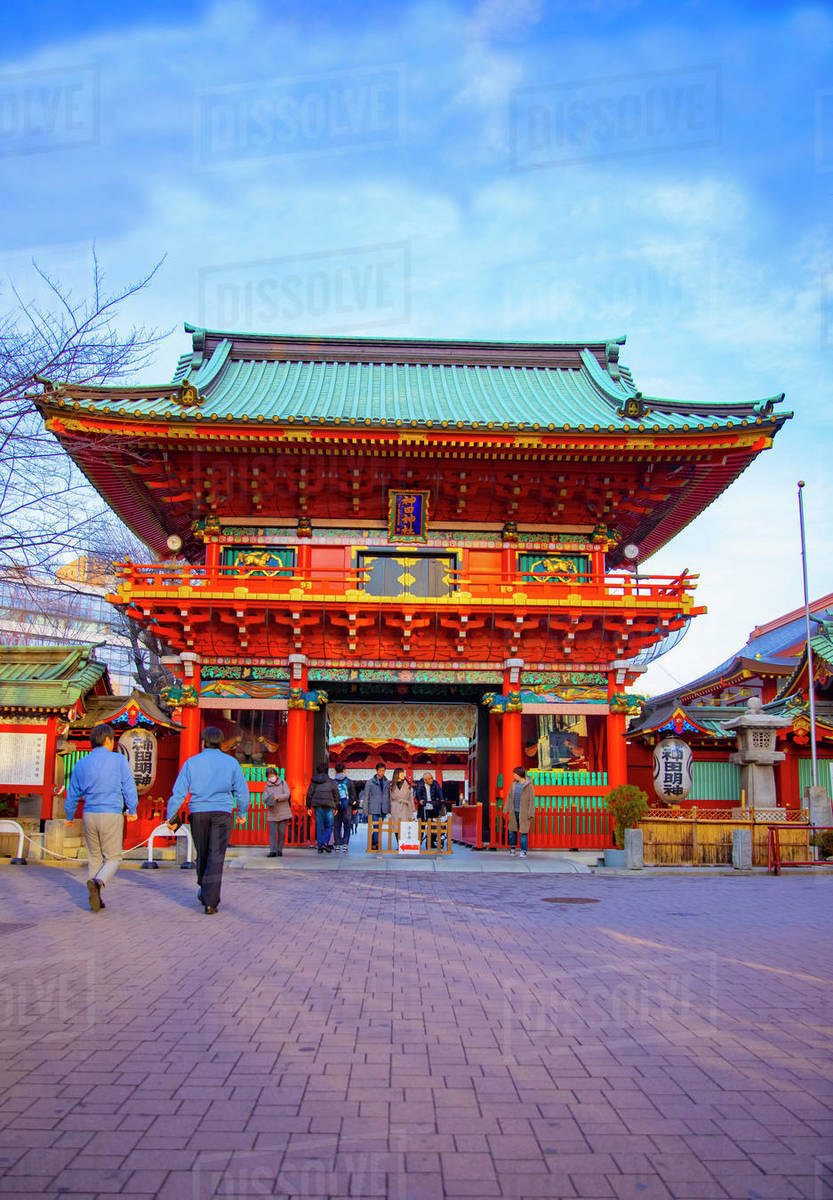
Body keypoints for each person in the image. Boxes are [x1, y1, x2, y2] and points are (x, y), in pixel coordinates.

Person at [167, 726, 249, 914]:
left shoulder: (191, 763)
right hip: (222, 812)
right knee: (216, 855)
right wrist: (242, 813)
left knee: (202, 853)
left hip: (199, 812)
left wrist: (171, 815)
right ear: (221, 743)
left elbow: (179, 792)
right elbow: (242, 791)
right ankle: (210, 900)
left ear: (203, 742)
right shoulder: (231, 763)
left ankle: (204, 888)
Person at [65, 722, 138, 912]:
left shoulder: (81, 762)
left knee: (94, 857)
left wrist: (70, 814)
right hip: (111, 813)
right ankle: (99, 883)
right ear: (108, 739)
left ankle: (96, 896)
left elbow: (72, 792)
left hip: (89, 813)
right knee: (113, 857)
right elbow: (128, 786)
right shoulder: (119, 760)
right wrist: (132, 809)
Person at [306, 761, 339, 854]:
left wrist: (308, 806)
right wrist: (336, 806)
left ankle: (320, 846)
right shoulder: (331, 782)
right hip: (329, 805)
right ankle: (325, 842)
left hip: (318, 805)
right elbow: (336, 794)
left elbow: (309, 793)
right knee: (329, 825)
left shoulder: (314, 781)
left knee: (319, 826)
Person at [507, 765, 535, 858]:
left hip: (524, 812)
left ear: (519, 774)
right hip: (513, 811)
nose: (514, 776)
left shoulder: (529, 785)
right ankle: (512, 849)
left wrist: (531, 813)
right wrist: (506, 809)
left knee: (523, 832)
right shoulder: (513, 784)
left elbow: (532, 800)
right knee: (512, 831)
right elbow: (509, 797)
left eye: (515, 774)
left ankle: (523, 851)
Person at [360, 762, 390, 849]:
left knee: (379, 827)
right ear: (376, 771)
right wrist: (365, 810)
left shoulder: (387, 782)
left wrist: (389, 807)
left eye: (383, 770)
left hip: (383, 808)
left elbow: (389, 795)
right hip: (373, 808)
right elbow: (366, 796)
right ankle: (376, 844)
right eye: (380, 770)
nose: (382, 772)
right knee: (376, 826)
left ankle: (373, 843)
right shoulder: (370, 782)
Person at [263, 767, 291, 857]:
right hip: (272, 811)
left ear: (276, 775)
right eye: (269, 776)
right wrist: (270, 798)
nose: (271, 777)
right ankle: (272, 851)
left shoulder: (283, 783)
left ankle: (279, 849)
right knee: (272, 833)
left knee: (282, 833)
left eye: (272, 775)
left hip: (283, 811)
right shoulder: (266, 786)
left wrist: (278, 797)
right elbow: (264, 798)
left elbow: (287, 795)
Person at [415, 771, 444, 849]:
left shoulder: (435, 783)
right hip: (423, 808)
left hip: (433, 807)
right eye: (429, 779)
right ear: (425, 780)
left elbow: (439, 791)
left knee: (433, 826)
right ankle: (419, 843)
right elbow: (417, 793)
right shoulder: (420, 784)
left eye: (431, 778)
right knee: (422, 826)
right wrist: (420, 799)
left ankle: (431, 843)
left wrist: (441, 799)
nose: (431, 780)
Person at [333, 763, 358, 852]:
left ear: (335, 771)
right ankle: (345, 845)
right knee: (347, 825)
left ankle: (337, 845)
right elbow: (353, 795)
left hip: (336, 806)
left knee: (337, 826)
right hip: (347, 806)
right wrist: (354, 807)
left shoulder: (333, 782)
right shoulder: (349, 782)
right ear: (344, 770)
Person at [390, 767, 415, 843]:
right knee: (396, 827)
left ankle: (404, 843)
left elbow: (411, 798)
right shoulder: (391, 785)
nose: (402, 775)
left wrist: (412, 809)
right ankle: (399, 844)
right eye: (401, 773)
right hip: (396, 807)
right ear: (396, 774)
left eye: (403, 773)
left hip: (405, 807)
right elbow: (389, 797)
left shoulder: (408, 785)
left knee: (405, 827)